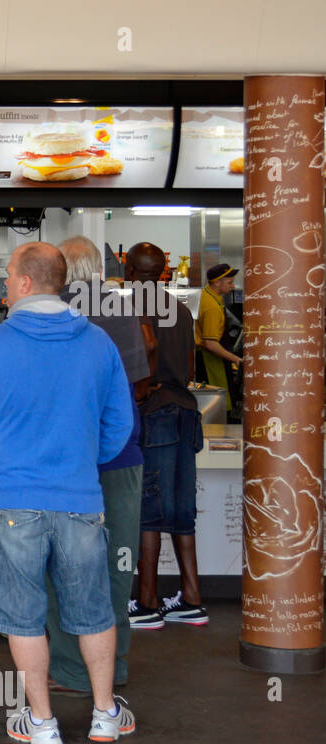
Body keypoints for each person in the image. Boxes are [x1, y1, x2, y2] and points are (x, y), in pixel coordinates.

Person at [0, 242, 135, 744]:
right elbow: (120, 423)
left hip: (11, 499)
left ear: (27, 283)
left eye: (9, 274)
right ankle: (104, 714)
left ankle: (43, 722)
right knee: (93, 609)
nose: (6, 282)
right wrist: (78, 457)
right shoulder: (98, 343)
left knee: (24, 615)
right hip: (80, 498)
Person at [46, 236, 150, 695]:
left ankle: (69, 669)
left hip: (62, 462)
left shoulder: (44, 312)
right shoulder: (121, 310)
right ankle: (115, 666)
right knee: (116, 564)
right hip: (119, 458)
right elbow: (136, 386)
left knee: (61, 566)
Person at [128, 243, 209, 628]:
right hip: (186, 412)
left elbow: (146, 346)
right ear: (163, 272)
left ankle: (146, 603)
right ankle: (191, 597)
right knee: (180, 509)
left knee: (149, 510)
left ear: (129, 271)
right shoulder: (180, 308)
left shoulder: (133, 306)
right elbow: (191, 365)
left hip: (156, 411)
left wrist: (141, 391)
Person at [196, 263, 241, 411]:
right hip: (210, 361)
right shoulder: (211, 307)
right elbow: (210, 344)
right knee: (218, 405)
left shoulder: (209, 295)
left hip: (208, 357)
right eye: (229, 282)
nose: (233, 286)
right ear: (216, 282)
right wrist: (236, 359)